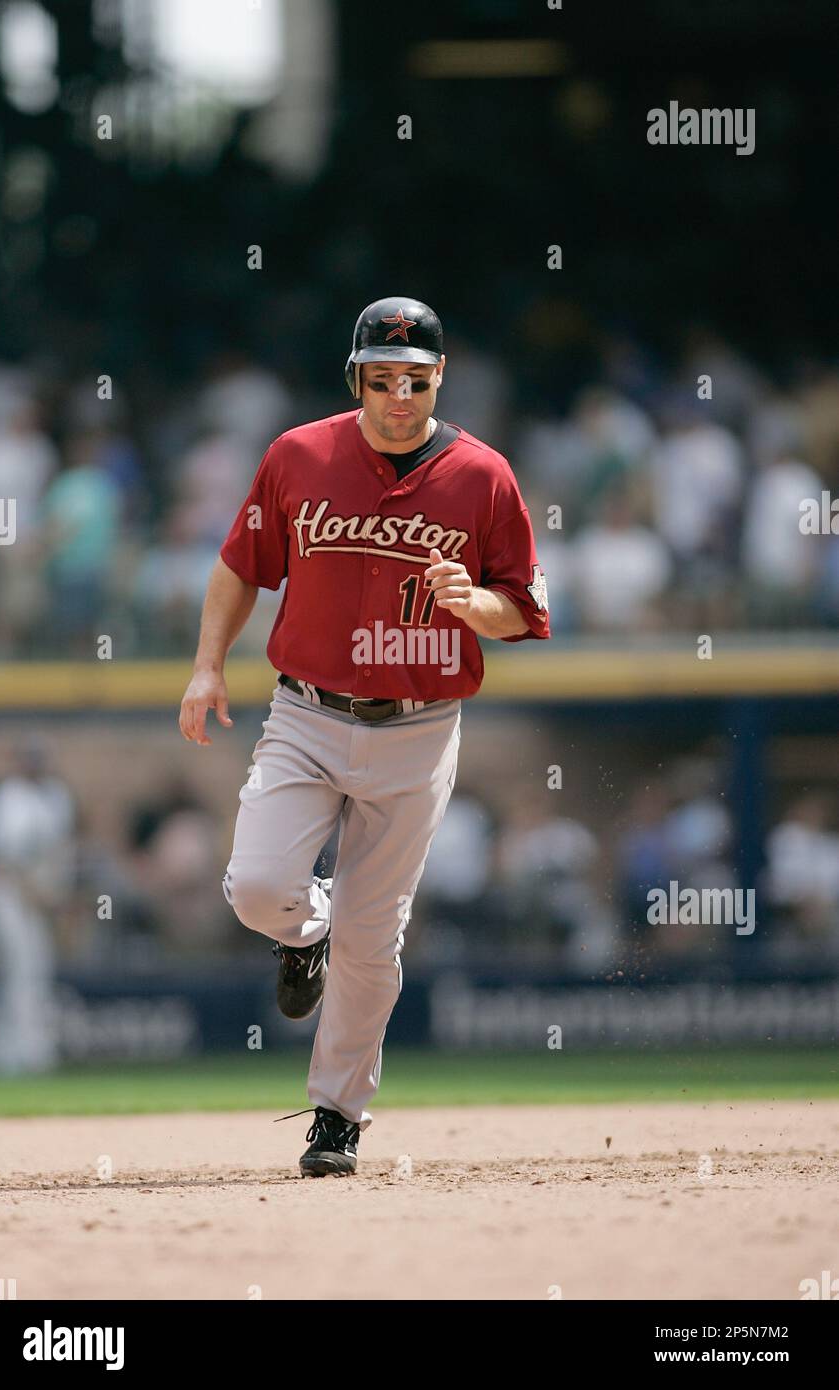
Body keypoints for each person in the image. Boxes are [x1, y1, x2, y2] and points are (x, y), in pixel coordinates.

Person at [179, 297, 550, 1176]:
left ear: (439, 378)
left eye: (414, 380)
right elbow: (240, 564)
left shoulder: (484, 476)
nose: (398, 396)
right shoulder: (299, 454)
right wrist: (205, 666)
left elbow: (524, 610)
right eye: (380, 380)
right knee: (258, 887)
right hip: (306, 712)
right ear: (356, 378)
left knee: (374, 936)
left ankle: (338, 1115)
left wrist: (476, 604)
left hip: (418, 730)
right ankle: (303, 933)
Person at [0, 741, 75, 1074]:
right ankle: (23, 1053)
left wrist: (54, 898)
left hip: (40, 896)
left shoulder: (54, 794)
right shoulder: (10, 797)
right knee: (21, 969)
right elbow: (4, 860)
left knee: (34, 969)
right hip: (7, 895)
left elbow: (59, 852)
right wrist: (34, 896)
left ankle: (13, 1051)